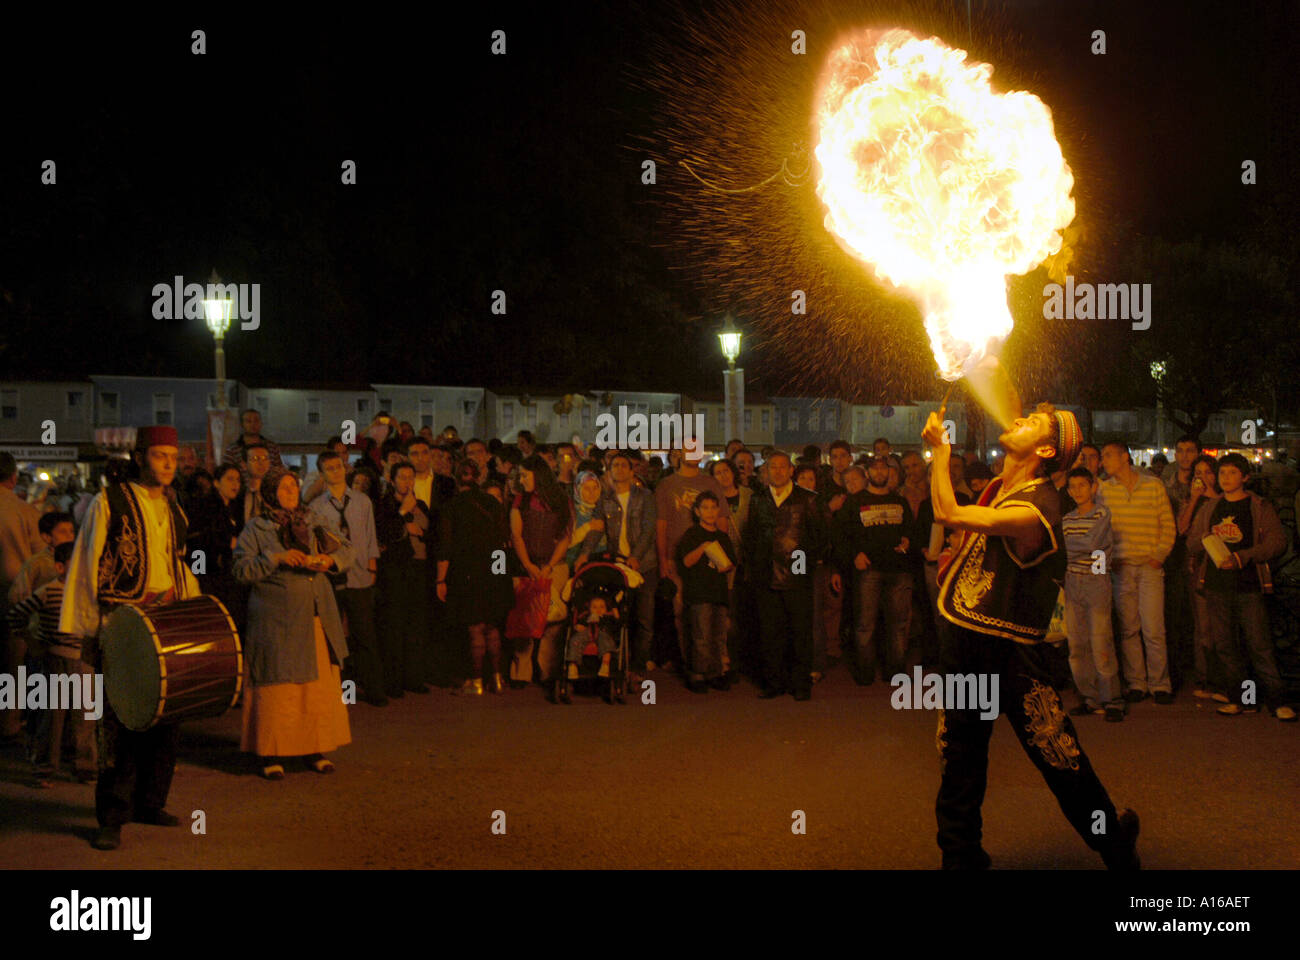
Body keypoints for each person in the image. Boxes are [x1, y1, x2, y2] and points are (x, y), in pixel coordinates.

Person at [923, 359, 1138, 871]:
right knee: (960, 756)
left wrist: (939, 454)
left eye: (1032, 426)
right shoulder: (1005, 484)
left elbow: (948, 513)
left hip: (1012, 656)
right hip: (968, 645)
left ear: (1045, 451)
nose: (1016, 421)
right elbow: (1010, 398)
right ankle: (961, 858)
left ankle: (1114, 845)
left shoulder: (1039, 504)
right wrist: (983, 357)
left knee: (1059, 756)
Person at [59, 427, 201, 851]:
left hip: (166, 625)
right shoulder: (111, 501)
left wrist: (194, 609)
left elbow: (175, 564)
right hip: (122, 624)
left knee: (165, 720)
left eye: (173, 457)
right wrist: (89, 630)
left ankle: (149, 802)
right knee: (120, 724)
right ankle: (112, 816)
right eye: (159, 456)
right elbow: (86, 564)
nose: (168, 464)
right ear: (141, 457)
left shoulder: (175, 508)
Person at [234, 469, 352, 779]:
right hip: (276, 622)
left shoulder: (312, 520)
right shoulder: (256, 528)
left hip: (315, 616)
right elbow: (240, 570)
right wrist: (276, 558)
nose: (289, 490)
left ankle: (316, 748)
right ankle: (272, 753)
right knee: (279, 688)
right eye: (283, 486)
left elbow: (347, 548)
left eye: (293, 485)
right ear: (271, 492)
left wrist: (330, 561)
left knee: (315, 689)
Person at [1187, 454, 1294, 721]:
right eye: (1222, 474)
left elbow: (1277, 542)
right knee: (1224, 644)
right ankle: (1241, 698)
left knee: (1259, 644)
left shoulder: (1258, 506)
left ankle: (1278, 700)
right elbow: (1190, 542)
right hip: (1215, 585)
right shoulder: (1211, 508)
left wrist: (1243, 556)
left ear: (1245, 477)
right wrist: (1205, 541)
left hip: (1249, 586)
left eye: (1232, 473)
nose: (1225, 479)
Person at [7, 541, 96, 785]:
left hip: (83, 660)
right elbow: (16, 614)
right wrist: (31, 640)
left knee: (86, 714)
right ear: (60, 567)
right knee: (52, 717)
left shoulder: (88, 592)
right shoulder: (49, 591)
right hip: (55, 659)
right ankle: (45, 769)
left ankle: (86, 766)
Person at [744, 451, 827, 701]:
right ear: (766, 471)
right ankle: (774, 682)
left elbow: (819, 537)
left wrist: (803, 566)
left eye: (782, 467)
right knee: (771, 631)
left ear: (791, 470)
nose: (778, 471)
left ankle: (800, 684)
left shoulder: (808, 499)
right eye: (773, 467)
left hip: (797, 573)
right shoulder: (758, 499)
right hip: (765, 573)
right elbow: (752, 536)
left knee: (800, 630)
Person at [1097, 442, 1176, 704]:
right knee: (1129, 628)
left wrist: (1159, 555)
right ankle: (1136, 682)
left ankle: (1160, 683)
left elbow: (1167, 523)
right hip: (1122, 567)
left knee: (1154, 627)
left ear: (1123, 457)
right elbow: (1099, 529)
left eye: (1108, 455)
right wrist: (1109, 559)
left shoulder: (1152, 485)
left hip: (1149, 566)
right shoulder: (1104, 490)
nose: (1103, 460)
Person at [308, 451, 384, 707]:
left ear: (346, 468)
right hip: (332, 576)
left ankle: (374, 688)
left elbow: (369, 535)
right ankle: (338, 691)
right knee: (336, 636)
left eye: (338, 467)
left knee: (365, 633)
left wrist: (372, 566)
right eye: (329, 468)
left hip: (360, 573)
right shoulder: (317, 506)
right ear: (322, 474)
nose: (335, 472)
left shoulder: (362, 501)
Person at [834, 454, 913, 685]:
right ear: (867, 473)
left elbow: (910, 528)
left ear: (890, 472)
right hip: (869, 570)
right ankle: (865, 671)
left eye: (884, 469)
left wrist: (908, 540)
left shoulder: (900, 502)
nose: (880, 473)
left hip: (899, 569)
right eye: (875, 469)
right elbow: (840, 534)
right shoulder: (855, 501)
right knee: (865, 624)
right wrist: (853, 555)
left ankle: (896, 670)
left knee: (898, 623)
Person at [437, 460, 514, 695]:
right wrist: (500, 576)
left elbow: (445, 547)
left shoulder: (451, 507)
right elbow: (504, 542)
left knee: (475, 628)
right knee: (492, 627)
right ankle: (498, 678)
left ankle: (477, 681)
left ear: (456, 478)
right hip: (494, 571)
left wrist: (441, 580)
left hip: (467, 574)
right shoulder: (492, 503)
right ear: (479, 477)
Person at [655, 447, 728, 675]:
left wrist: (721, 553)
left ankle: (716, 667)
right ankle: (692, 665)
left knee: (713, 615)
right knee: (681, 612)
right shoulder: (666, 485)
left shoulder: (711, 483)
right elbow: (661, 526)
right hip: (678, 560)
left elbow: (723, 520)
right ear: (678, 454)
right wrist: (663, 559)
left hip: (709, 560)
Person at [1061, 468, 1122, 721]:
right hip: (1072, 581)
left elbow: (1091, 544)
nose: (1077, 491)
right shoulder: (1067, 518)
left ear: (1093, 487)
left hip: (1096, 579)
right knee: (1077, 644)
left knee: (1100, 641)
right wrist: (1075, 549)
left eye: (1082, 485)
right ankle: (1089, 696)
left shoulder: (1102, 513)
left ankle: (1112, 699)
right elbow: (1070, 548)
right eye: (1072, 486)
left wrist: (1071, 548)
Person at [509, 455, 572, 688]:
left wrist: (549, 566)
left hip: (554, 566)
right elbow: (516, 534)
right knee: (524, 621)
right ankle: (520, 672)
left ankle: (547, 670)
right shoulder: (519, 501)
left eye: (525, 475)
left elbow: (566, 536)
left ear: (539, 475)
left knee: (552, 622)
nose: (521, 479)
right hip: (526, 567)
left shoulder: (561, 500)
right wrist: (528, 565)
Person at [375, 462, 434, 697]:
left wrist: (418, 527)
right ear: (392, 480)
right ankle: (393, 680)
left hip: (418, 570)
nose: (407, 482)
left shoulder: (420, 506)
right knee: (394, 625)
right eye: (402, 477)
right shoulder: (384, 505)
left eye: (411, 478)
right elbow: (384, 533)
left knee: (416, 625)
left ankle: (414, 676)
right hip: (395, 570)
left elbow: (431, 532)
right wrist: (402, 518)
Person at [599, 452, 658, 685]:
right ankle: (614, 663)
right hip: (617, 566)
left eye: (625, 465)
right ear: (609, 471)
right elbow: (598, 529)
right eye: (616, 465)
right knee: (616, 617)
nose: (620, 469)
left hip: (644, 566)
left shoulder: (645, 496)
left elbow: (648, 529)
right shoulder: (605, 499)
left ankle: (638, 667)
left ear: (632, 471)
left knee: (644, 619)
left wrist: (636, 556)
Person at [0, 451, 45, 741]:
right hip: (14, 597)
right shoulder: (26, 511)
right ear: (14, 478)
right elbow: (42, 559)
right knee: (11, 666)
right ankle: (8, 723)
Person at [676, 491, 737, 693]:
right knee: (701, 635)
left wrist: (723, 564)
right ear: (697, 511)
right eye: (705, 508)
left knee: (719, 635)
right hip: (699, 593)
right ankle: (698, 674)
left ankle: (716, 673)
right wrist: (702, 548)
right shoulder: (692, 535)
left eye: (713, 507)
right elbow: (685, 562)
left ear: (718, 510)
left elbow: (730, 564)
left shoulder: (722, 536)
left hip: (718, 592)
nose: (710, 512)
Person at [186, 463, 248, 638]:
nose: (235, 484)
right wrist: (200, 576)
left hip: (227, 576)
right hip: (212, 576)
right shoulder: (207, 507)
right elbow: (197, 545)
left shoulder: (234, 508)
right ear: (216, 483)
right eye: (229, 479)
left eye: (237, 480)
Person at [1177, 454, 1220, 699]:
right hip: (1197, 568)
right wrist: (1194, 499)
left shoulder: (1226, 500)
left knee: (1222, 623)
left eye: (1208, 472)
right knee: (1202, 623)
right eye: (1198, 473)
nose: (1202, 478)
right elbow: (1181, 529)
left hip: (1223, 568)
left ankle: (1223, 677)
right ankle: (1205, 677)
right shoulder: (1191, 501)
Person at [222, 409, 284, 477]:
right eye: (248, 421)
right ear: (242, 425)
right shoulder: (232, 450)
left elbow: (279, 471)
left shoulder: (272, 447)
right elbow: (226, 474)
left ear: (261, 423)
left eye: (256, 420)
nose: (253, 424)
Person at [238, 443, 276, 525]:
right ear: (244, 465)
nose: (261, 463)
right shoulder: (238, 493)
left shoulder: (276, 493)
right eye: (255, 459)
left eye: (265, 458)